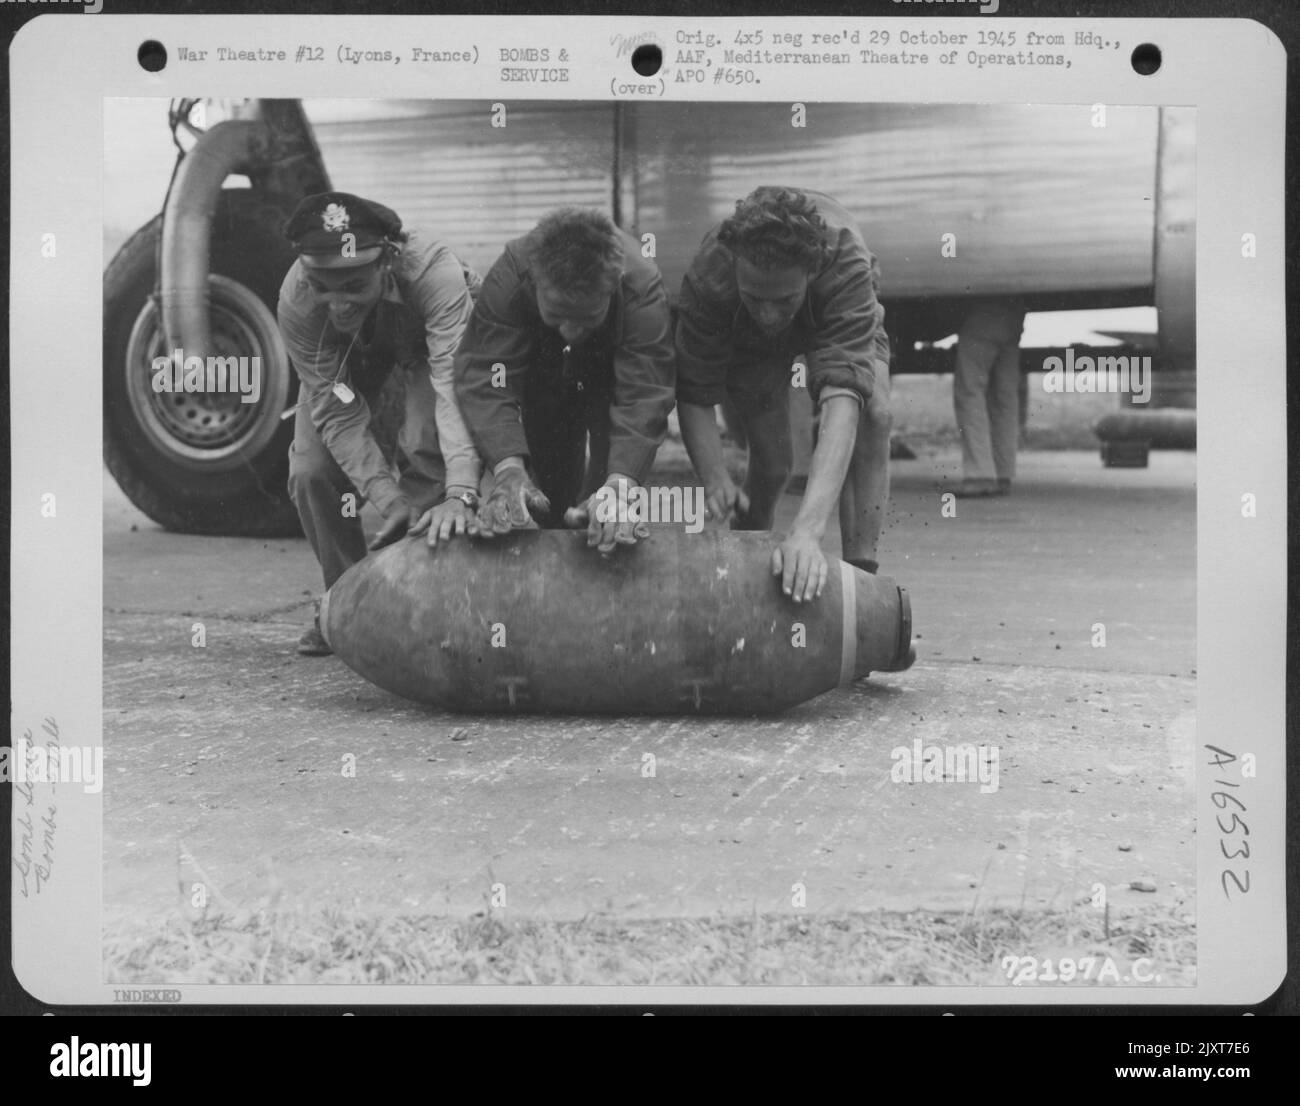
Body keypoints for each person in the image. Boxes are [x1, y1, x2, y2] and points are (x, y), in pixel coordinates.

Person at [277, 191, 483, 655]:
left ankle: (412, 596)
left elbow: (453, 384)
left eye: (352, 285)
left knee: (426, 446)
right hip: (351, 363)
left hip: (426, 352)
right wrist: (386, 499)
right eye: (321, 284)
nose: (336, 302)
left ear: (386, 261)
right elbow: (334, 407)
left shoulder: (435, 273)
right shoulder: (296, 299)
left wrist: (461, 492)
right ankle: (346, 602)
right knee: (310, 471)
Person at [675, 186, 892, 604]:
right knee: (774, 466)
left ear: (810, 273)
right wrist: (715, 478)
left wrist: (808, 532)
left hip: (832, 304)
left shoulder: (843, 264)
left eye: (784, 299)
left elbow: (843, 395)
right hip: (747, 339)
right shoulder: (710, 276)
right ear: (736, 267)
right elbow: (695, 389)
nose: (771, 314)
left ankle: (861, 582)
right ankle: (746, 570)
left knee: (876, 414)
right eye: (756, 297)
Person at [453, 208, 676, 552]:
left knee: (609, 497)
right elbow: (488, 376)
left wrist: (620, 483)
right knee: (546, 486)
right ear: (536, 282)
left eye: (586, 318)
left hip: (610, 370)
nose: (572, 329)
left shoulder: (640, 284)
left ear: (613, 285)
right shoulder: (513, 272)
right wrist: (508, 469)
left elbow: (643, 393)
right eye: (558, 314)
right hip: (543, 363)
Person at [952, 299, 1027, 496]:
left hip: (983, 314)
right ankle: (1003, 473)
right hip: (1014, 314)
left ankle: (980, 475)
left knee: (970, 392)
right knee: (1004, 397)